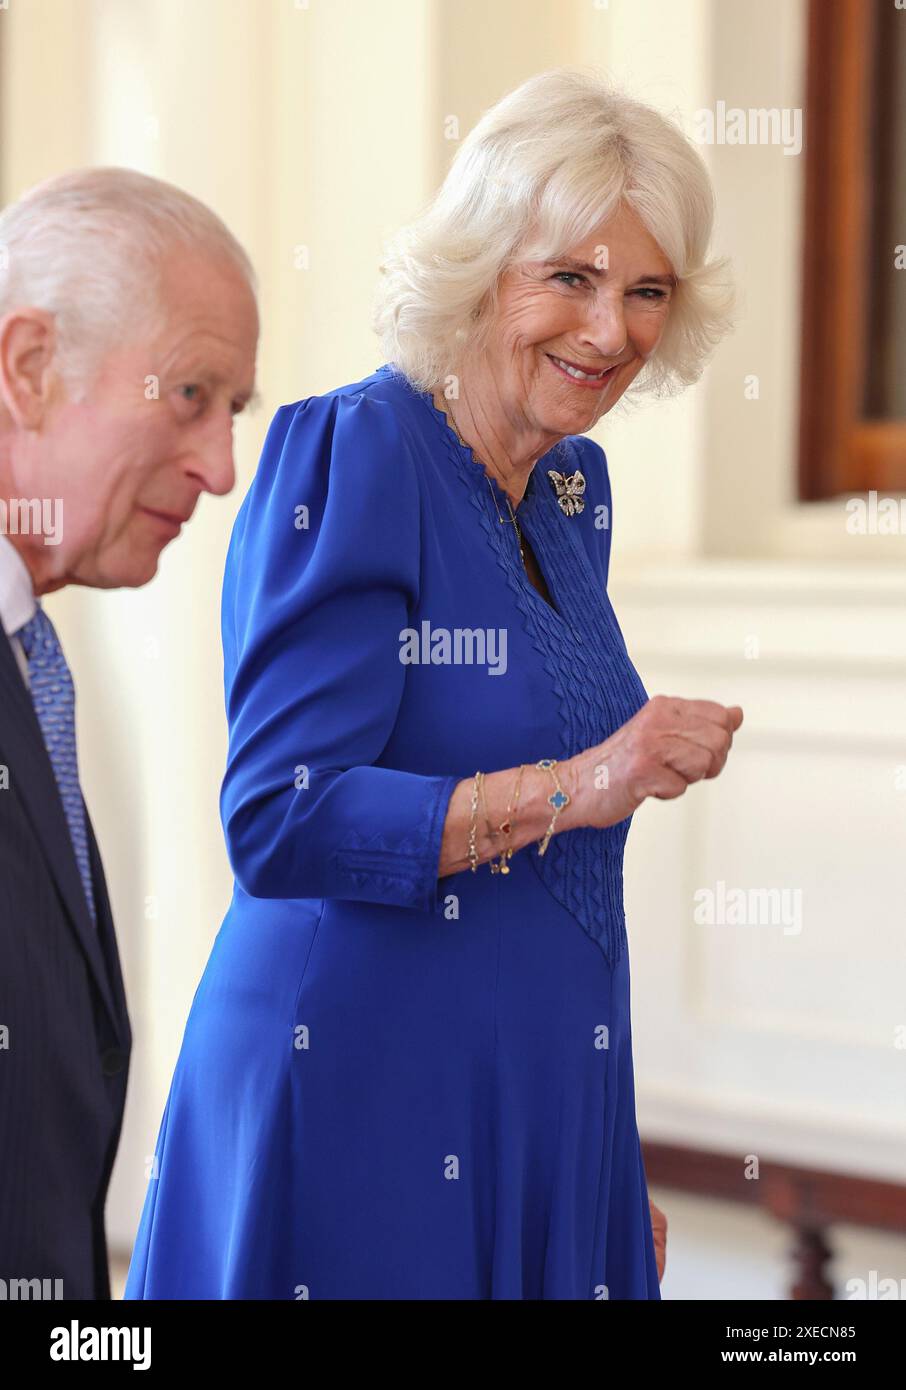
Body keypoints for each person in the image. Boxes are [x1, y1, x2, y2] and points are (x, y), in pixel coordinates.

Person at [125, 69, 740, 1300]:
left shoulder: (573, 493)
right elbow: (281, 819)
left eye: (647, 291)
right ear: (480, 267)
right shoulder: (355, 451)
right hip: (356, 1084)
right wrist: (591, 780)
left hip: (525, 1100)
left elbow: (558, 901)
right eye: (569, 277)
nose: (610, 329)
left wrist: (591, 1157)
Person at [0, 168, 259, 1299]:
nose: (220, 468)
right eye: (190, 393)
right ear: (29, 368)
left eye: (232, 411)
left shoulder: (32, 658)